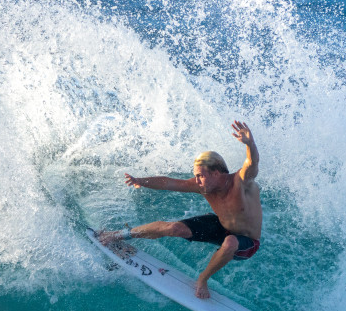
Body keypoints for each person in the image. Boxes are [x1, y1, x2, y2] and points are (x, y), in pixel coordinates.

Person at [98, 120, 262, 299]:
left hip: (246, 242)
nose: (197, 180)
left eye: (200, 176)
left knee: (230, 242)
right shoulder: (202, 186)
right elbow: (168, 182)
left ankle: (202, 279)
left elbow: (251, 164)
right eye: (195, 176)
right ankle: (117, 235)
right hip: (222, 226)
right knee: (174, 228)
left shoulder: (240, 182)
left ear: (216, 173)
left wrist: (250, 144)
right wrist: (140, 181)